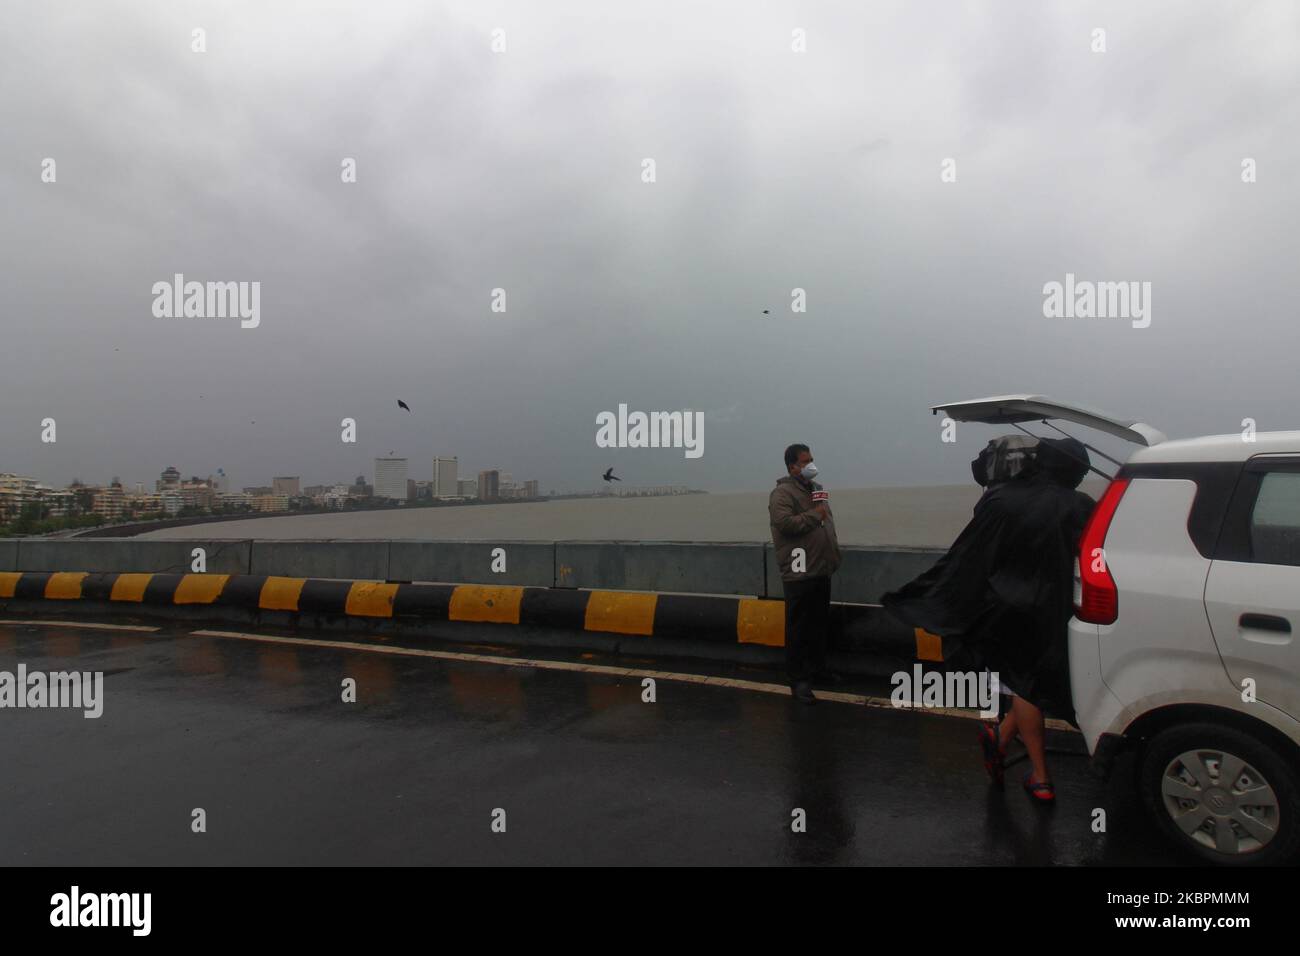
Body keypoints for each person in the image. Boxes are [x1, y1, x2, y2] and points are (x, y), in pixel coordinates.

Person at [882, 436, 1095, 803]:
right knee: (1030, 684)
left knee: (1025, 684)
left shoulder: (1001, 500)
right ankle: (1040, 777)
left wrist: (921, 596)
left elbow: (966, 557)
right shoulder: (1081, 506)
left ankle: (1002, 740)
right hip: (1055, 611)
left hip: (1005, 610)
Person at [769, 443, 842, 704]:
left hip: (821, 567)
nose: (811, 464)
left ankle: (817, 669)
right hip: (799, 571)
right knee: (799, 628)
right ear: (792, 467)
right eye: (805, 461)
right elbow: (785, 524)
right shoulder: (781, 493)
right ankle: (798, 680)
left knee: (818, 624)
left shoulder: (816, 489)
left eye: (812, 459)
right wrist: (815, 515)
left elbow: (826, 521)